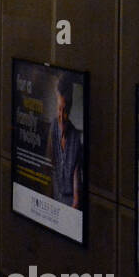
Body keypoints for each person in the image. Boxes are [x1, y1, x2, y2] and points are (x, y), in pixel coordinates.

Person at [49, 73, 84, 209]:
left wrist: (70, 212)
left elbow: (76, 194)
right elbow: (47, 168)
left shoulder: (76, 137)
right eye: (59, 109)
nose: (61, 116)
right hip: (53, 199)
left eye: (64, 110)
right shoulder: (53, 127)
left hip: (69, 204)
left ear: (69, 109)